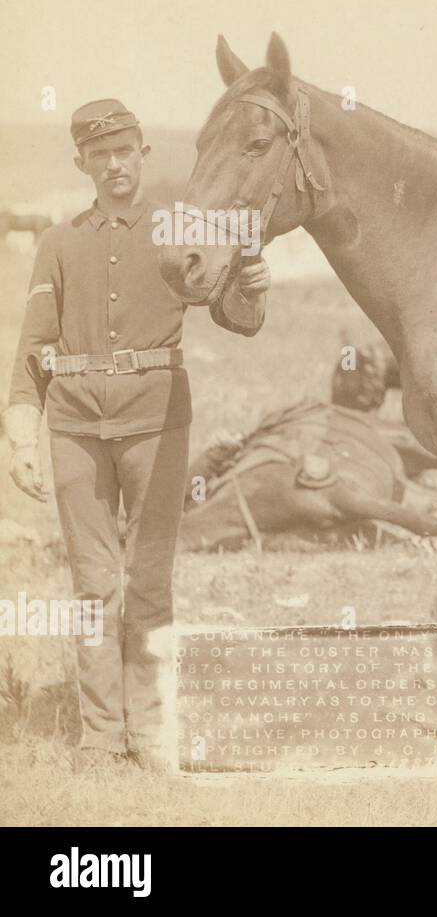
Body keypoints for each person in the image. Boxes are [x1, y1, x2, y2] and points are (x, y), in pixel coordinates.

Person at [2, 99, 270, 772]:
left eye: (126, 150)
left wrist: (255, 287)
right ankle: (100, 734)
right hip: (74, 427)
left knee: (149, 580)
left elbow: (236, 314)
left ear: (143, 152)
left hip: (157, 421)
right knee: (93, 584)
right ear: (82, 162)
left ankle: (149, 730)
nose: (115, 163)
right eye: (101, 154)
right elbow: (33, 347)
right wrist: (19, 435)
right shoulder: (58, 242)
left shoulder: (183, 229)